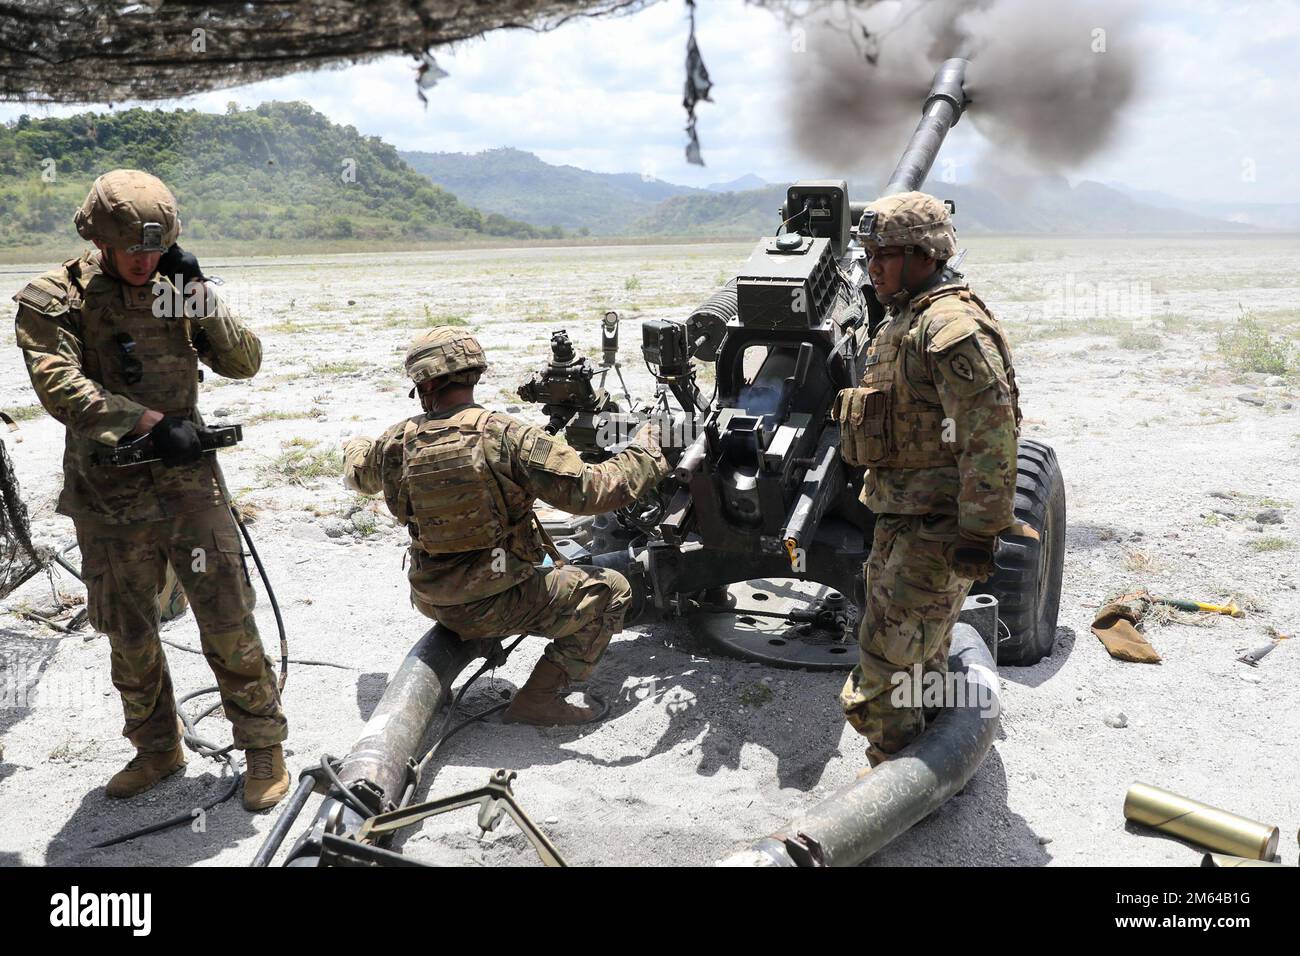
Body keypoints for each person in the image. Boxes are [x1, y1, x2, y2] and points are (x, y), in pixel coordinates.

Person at [13, 169, 290, 810]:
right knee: (128, 630)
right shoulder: (53, 298)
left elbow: (243, 361)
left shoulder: (174, 289)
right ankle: (156, 749)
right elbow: (61, 387)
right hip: (108, 494)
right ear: (99, 238)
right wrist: (148, 423)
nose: (143, 261)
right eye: (133, 249)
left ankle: (262, 748)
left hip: (190, 488)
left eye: (154, 249)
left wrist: (199, 293)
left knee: (226, 616)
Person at [343, 326, 669, 724]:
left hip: (431, 597)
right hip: (493, 598)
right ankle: (538, 700)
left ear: (422, 383)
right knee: (611, 591)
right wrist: (649, 449)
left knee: (540, 569)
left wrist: (355, 444)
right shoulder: (504, 434)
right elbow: (593, 492)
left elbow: (359, 474)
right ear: (474, 373)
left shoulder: (397, 440)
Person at [832, 190, 1029, 767]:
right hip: (903, 520)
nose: (872, 269)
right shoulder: (908, 320)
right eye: (868, 255)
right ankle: (928, 762)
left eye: (885, 256)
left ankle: (895, 788)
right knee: (920, 656)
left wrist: (979, 533)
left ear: (926, 256)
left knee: (884, 675)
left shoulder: (949, 328)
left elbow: (990, 436)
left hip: (937, 531)